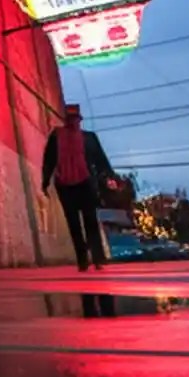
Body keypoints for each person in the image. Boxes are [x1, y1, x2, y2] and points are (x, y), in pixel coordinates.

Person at [42, 104, 115, 271]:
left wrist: (110, 177)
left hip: (85, 182)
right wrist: (45, 182)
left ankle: (97, 258)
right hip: (64, 184)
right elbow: (49, 160)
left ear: (80, 120)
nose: (73, 122)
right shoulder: (57, 136)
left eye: (76, 119)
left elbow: (100, 159)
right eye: (71, 119)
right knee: (74, 223)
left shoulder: (88, 138)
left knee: (90, 221)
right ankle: (82, 259)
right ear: (66, 120)